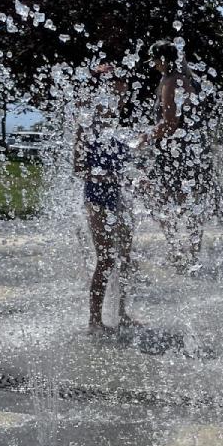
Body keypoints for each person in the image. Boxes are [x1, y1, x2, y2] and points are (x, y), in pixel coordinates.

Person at [76, 64, 134, 336]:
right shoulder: (86, 123)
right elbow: (78, 169)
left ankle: (122, 313)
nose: (124, 90)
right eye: (119, 85)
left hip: (119, 197)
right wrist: (110, 177)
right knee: (106, 259)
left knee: (125, 257)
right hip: (97, 199)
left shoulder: (117, 124)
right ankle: (94, 320)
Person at [143, 40, 205, 271]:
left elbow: (170, 124)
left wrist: (144, 138)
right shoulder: (191, 80)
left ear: (162, 60)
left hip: (173, 153)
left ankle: (176, 251)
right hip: (194, 150)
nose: (153, 65)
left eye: (154, 60)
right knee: (190, 203)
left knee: (158, 199)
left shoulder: (170, 81)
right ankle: (192, 255)